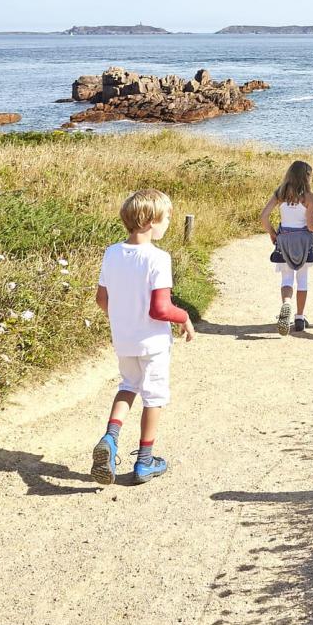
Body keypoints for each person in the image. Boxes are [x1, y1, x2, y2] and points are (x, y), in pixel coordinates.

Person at [91, 188, 194, 486]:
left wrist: (122, 318)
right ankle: (145, 462)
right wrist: (185, 318)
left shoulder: (112, 253)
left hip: (123, 338)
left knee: (128, 386)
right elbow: (160, 308)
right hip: (153, 342)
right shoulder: (158, 258)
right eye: (166, 218)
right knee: (154, 396)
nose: (168, 224)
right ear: (150, 221)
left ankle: (110, 439)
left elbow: (101, 298)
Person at [260, 160, 313, 335]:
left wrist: (272, 233)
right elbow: (312, 226)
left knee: (286, 279)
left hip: (284, 240)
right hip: (304, 241)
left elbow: (263, 216)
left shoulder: (280, 194)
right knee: (303, 279)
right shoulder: (309, 197)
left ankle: (286, 304)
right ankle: (299, 317)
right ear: (306, 177)